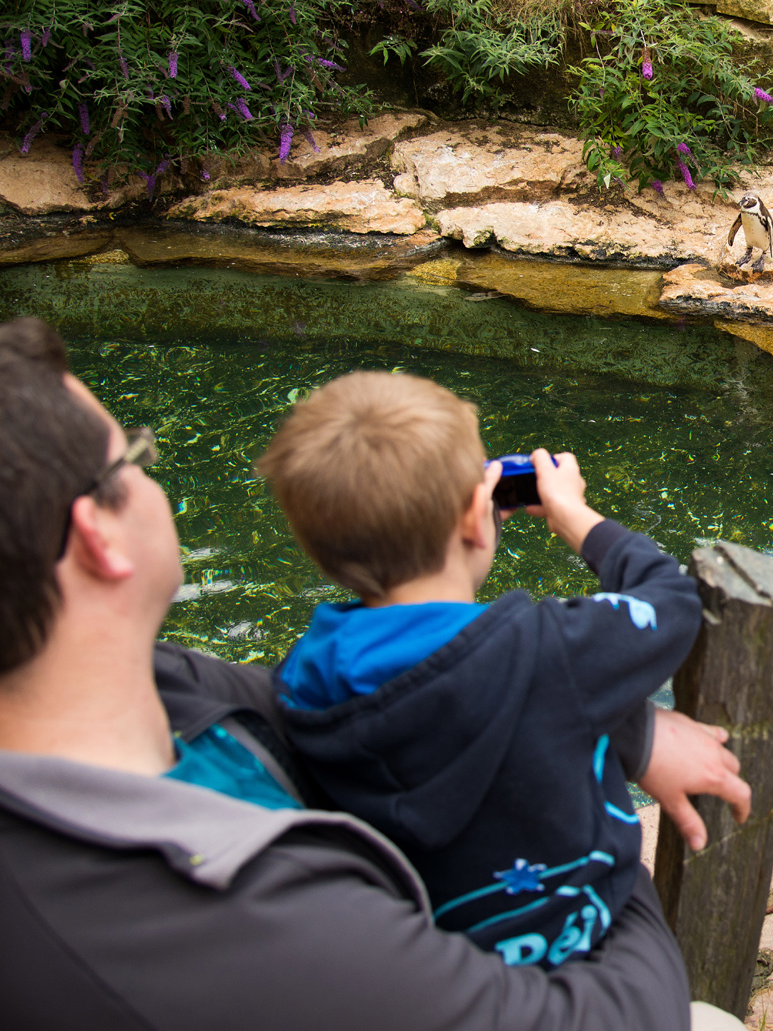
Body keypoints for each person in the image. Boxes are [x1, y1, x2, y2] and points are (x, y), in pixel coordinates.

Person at [0, 318, 751, 1030]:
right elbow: (625, 1015)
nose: (149, 472)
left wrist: (619, 724)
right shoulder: (258, 939)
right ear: (97, 538)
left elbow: (418, 693)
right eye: (132, 457)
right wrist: (590, 802)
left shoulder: (76, 700)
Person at [256, 371, 700, 968]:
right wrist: (575, 516)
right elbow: (671, 601)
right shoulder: (545, 648)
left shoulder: (303, 678)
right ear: (476, 514)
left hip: (440, 970)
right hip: (579, 951)